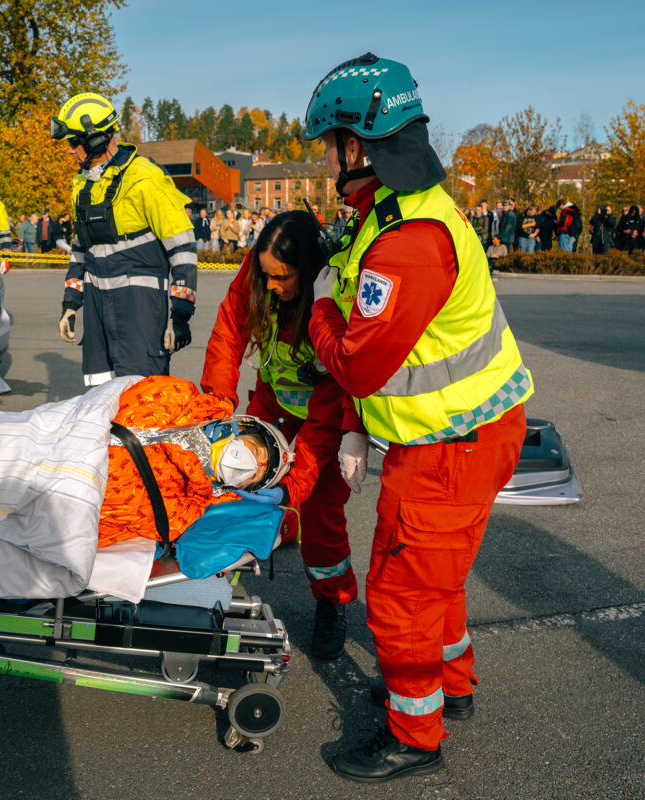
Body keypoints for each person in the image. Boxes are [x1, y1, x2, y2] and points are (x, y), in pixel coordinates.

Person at [303, 53, 533, 782]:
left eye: (332, 144)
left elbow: (359, 361)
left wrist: (316, 304)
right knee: (440, 578)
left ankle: (414, 732)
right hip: (460, 432)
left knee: (401, 593)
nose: (329, 159)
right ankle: (449, 686)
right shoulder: (407, 212)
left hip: (447, 447)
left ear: (359, 144)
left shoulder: (407, 243)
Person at [201, 210, 359, 660]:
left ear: (308, 272)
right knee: (242, 476)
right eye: (265, 275)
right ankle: (276, 529)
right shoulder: (257, 274)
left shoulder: (332, 308)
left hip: (323, 413)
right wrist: (216, 405)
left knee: (322, 513)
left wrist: (296, 483)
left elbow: (325, 422)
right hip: (273, 401)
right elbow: (227, 333)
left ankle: (333, 599)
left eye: (282, 278)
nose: (271, 286)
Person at [51, 92, 198, 385]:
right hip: (96, 309)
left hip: (139, 308)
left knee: (143, 395)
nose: (69, 150)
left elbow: (182, 248)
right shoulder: (81, 184)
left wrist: (179, 315)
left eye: (73, 142)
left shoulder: (145, 177)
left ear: (94, 139)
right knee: (98, 390)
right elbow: (80, 250)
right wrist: (71, 304)